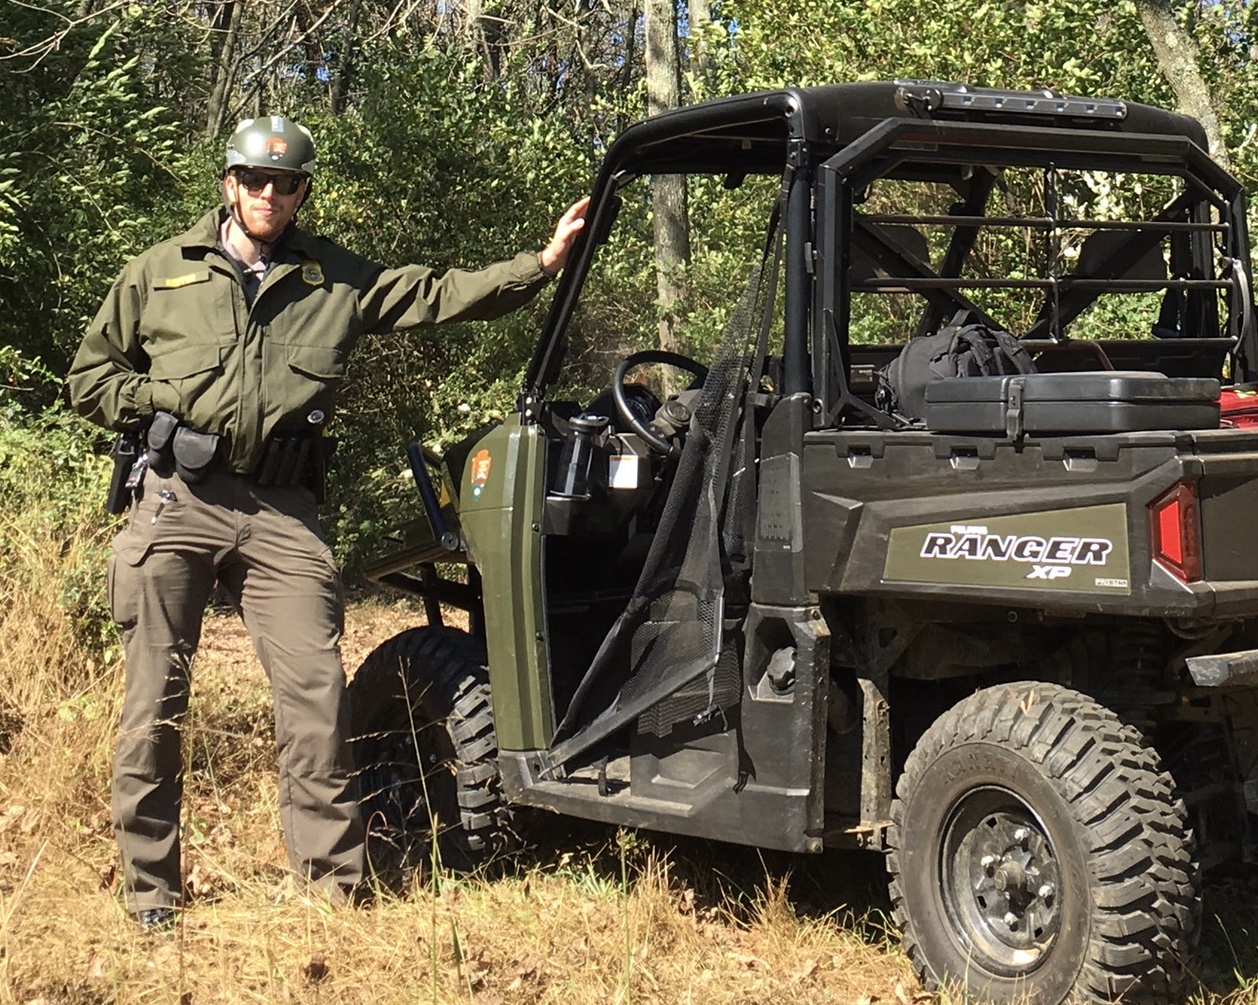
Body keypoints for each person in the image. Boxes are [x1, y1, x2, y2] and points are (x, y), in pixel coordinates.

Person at [67, 115, 588, 930]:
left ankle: (333, 890)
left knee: (316, 696)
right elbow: (90, 375)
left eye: (285, 183)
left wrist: (542, 263)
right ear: (229, 182)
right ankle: (150, 895)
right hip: (177, 498)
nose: (268, 194)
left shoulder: (332, 277)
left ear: (303, 190)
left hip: (282, 512)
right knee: (154, 701)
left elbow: (438, 293)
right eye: (254, 179)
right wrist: (159, 407)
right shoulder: (160, 272)